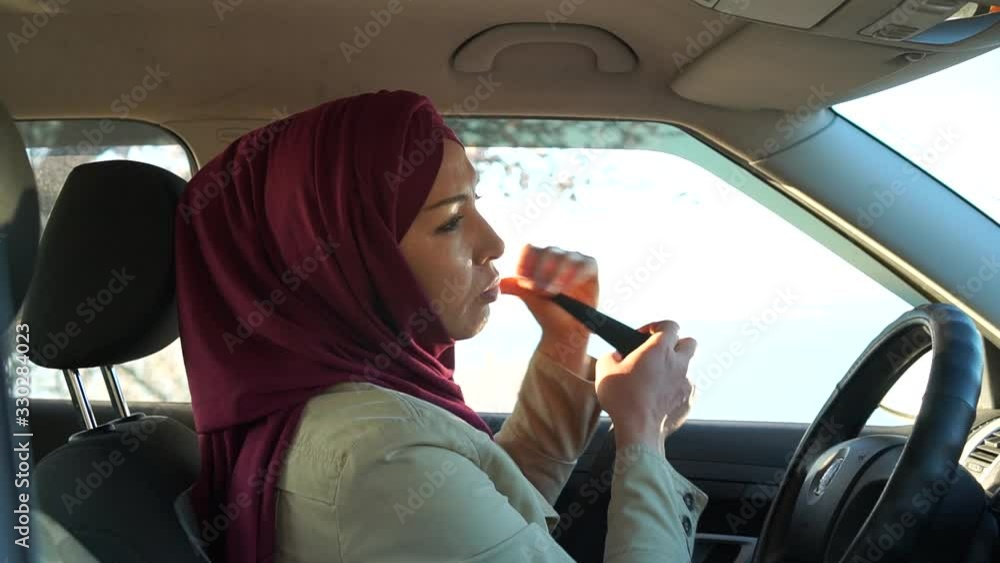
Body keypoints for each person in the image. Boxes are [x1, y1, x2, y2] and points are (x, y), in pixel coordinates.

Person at [174, 89, 706, 563]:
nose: (494, 242)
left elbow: (494, 512)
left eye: (476, 203)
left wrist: (566, 342)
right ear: (349, 259)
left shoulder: (353, 414)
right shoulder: (378, 456)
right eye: (451, 220)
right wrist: (643, 431)